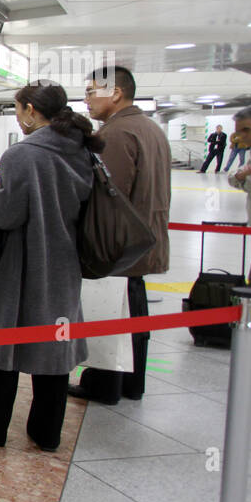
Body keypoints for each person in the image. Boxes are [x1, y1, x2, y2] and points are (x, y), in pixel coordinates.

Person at [0, 81, 100, 451]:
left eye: (18, 109)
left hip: (24, 262)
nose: (18, 115)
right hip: (65, 262)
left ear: (31, 109)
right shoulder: (82, 151)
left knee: (6, 342)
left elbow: (7, 213)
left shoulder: (24, 154)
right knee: (55, 345)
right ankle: (47, 432)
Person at [69, 65, 170, 405]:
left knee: (111, 312)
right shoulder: (149, 129)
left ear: (115, 93)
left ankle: (104, 384)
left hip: (119, 245)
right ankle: (130, 382)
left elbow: (108, 196)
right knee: (132, 311)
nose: (86, 100)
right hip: (143, 239)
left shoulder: (116, 134)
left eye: (90, 91)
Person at [227, 106, 251, 287]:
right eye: (238, 131)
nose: (241, 136)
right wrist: (242, 177)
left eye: (246, 130)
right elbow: (233, 177)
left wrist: (243, 177)